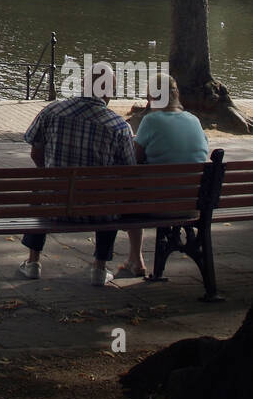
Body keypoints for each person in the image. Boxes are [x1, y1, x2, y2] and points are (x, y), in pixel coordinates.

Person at [18, 63, 136, 287]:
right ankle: (99, 268)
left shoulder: (52, 111)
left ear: (83, 83)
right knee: (110, 195)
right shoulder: (119, 126)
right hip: (98, 211)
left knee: (41, 186)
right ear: (109, 91)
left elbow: (36, 153)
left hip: (53, 204)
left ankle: (33, 262)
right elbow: (127, 172)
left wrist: (53, 178)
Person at [115, 75, 209, 277]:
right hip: (193, 206)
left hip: (157, 206)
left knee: (128, 188)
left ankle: (135, 258)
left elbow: (134, 160)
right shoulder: (195, 121)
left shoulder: (151, 121)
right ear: (176, 94)